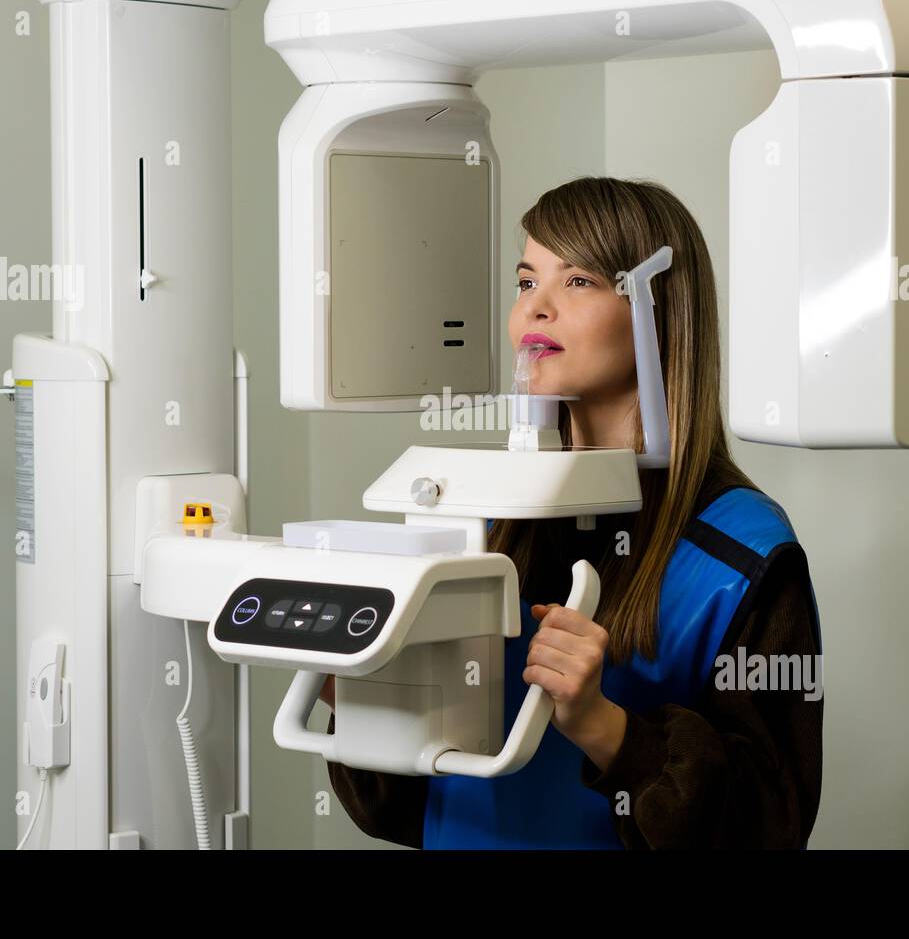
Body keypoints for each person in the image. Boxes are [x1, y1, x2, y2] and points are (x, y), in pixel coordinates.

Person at [320, 176, 823, 849]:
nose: (536, 310)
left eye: (579, 281)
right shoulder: (496, 522)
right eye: (527, 283)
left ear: (656, 305)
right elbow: (411, 810)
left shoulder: (743, 553)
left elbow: (770, 828)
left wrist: (604, 728)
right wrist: (358, 695)